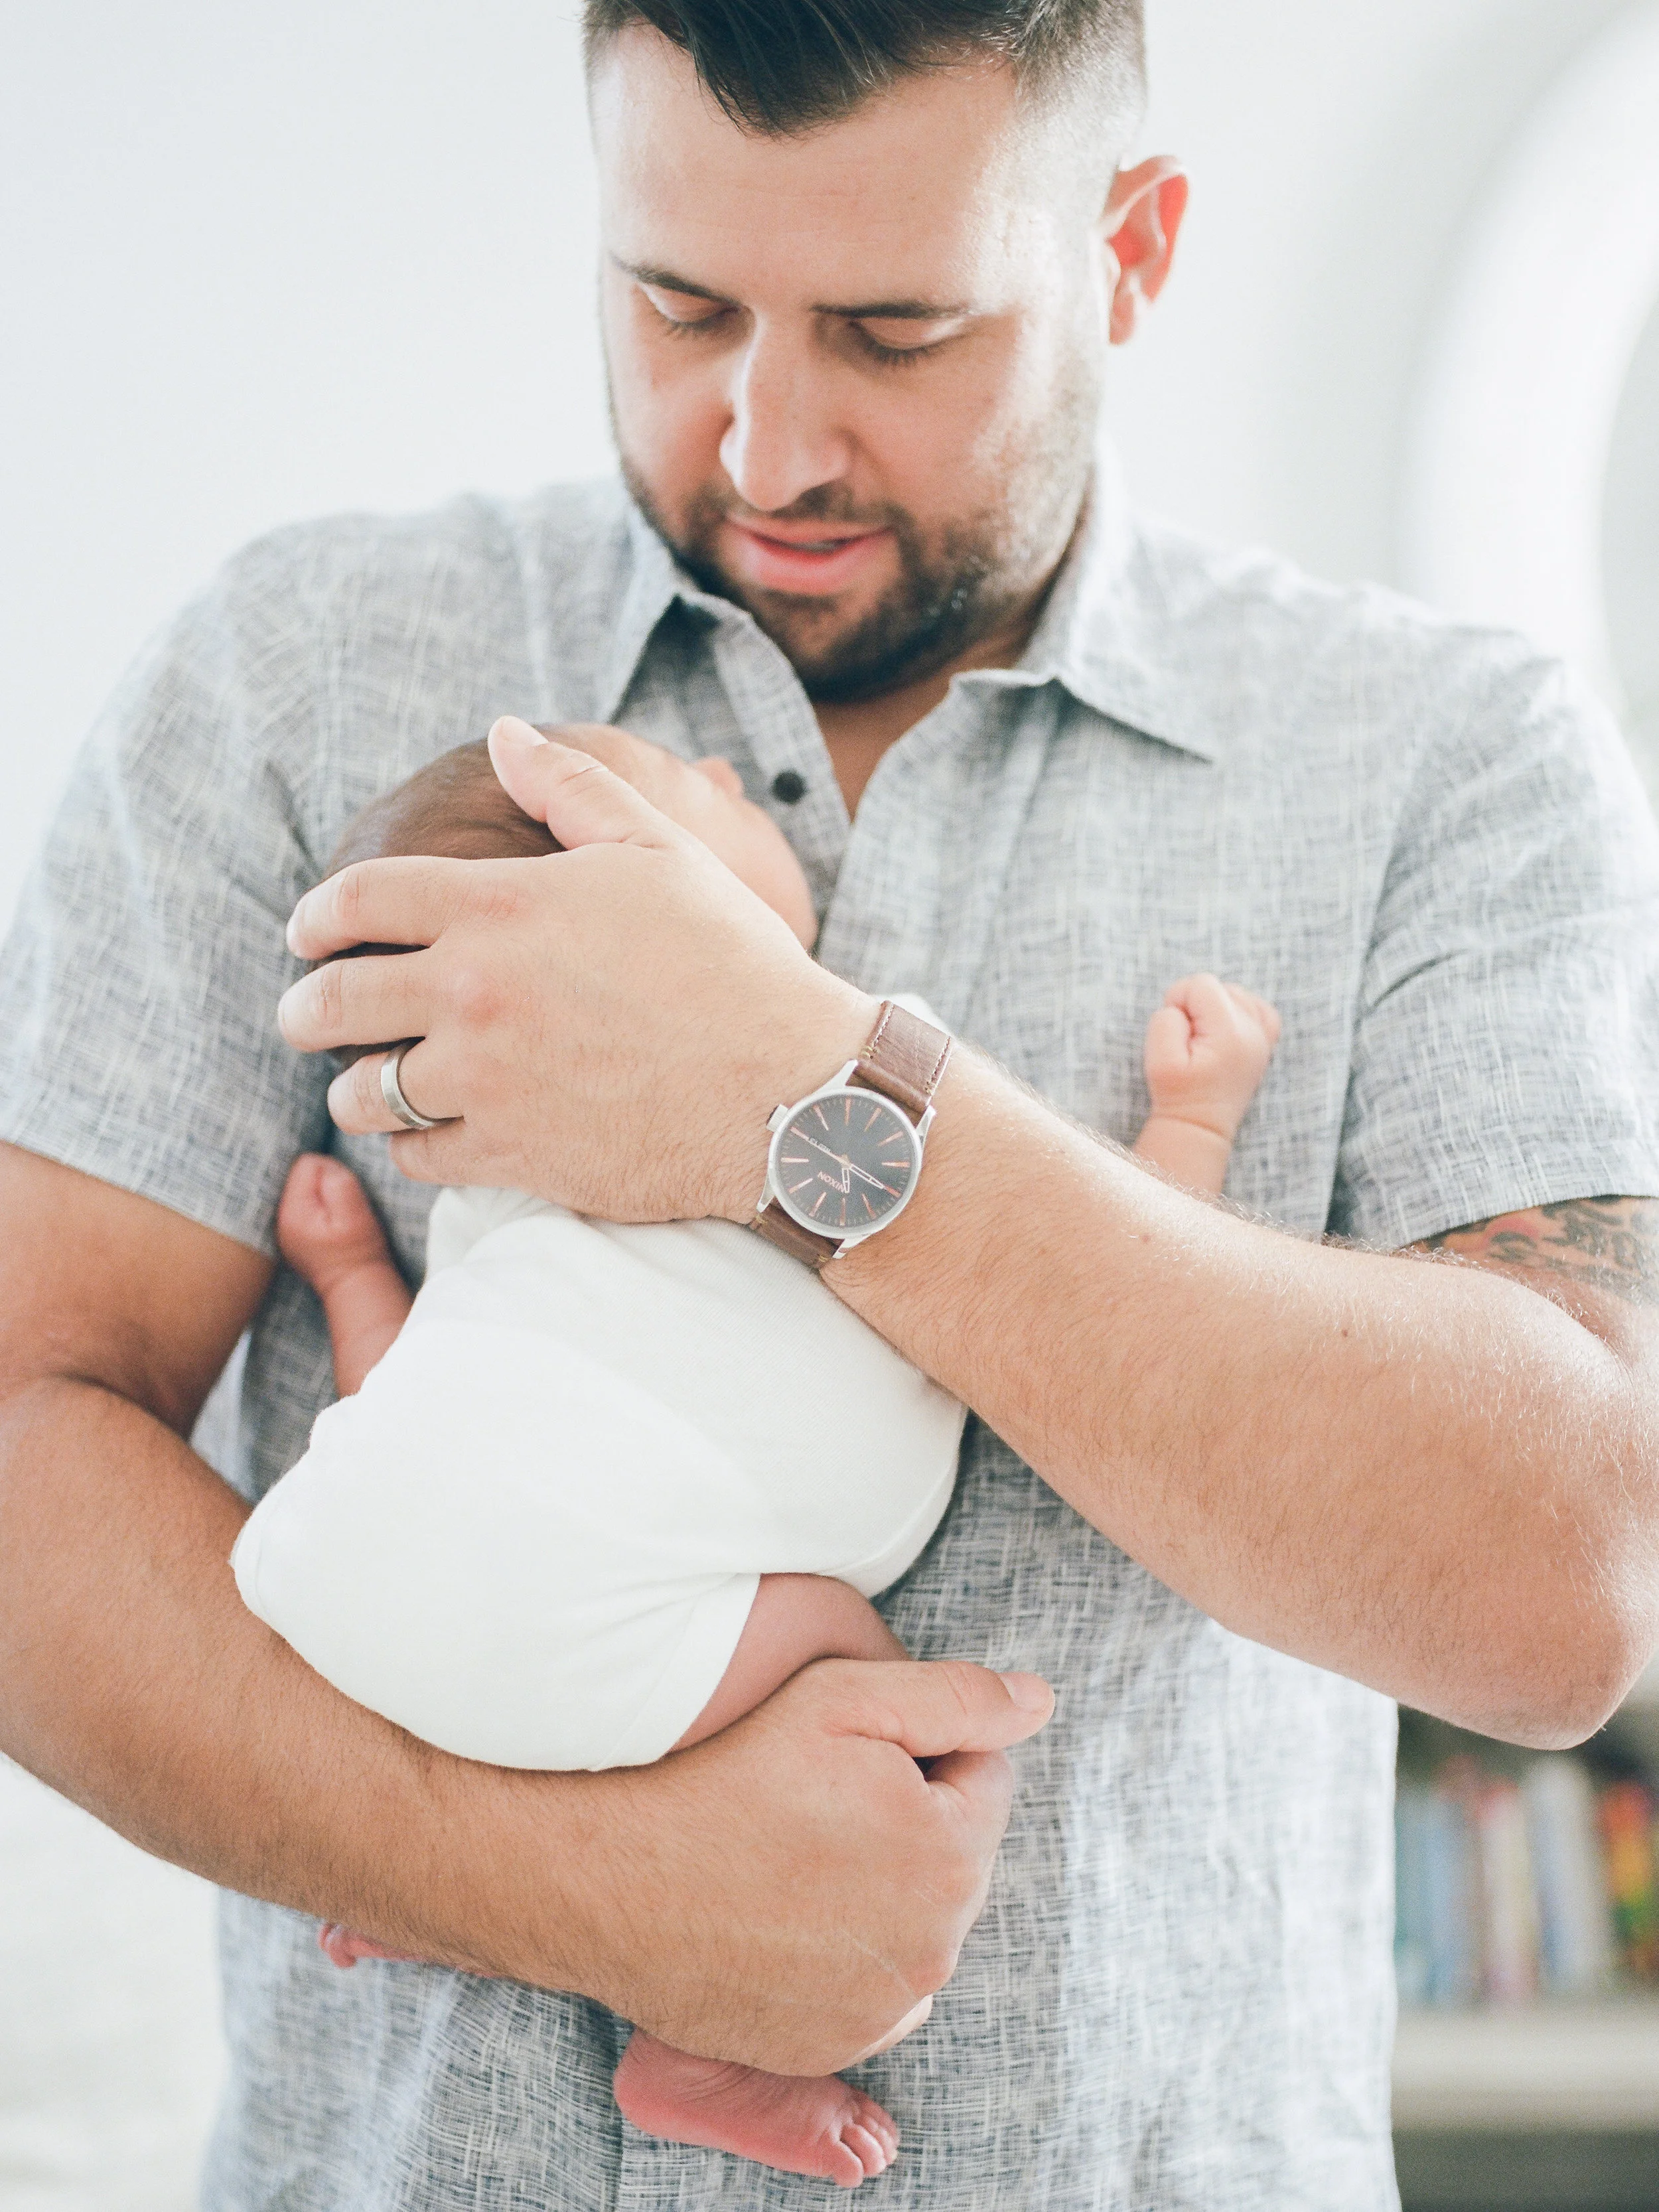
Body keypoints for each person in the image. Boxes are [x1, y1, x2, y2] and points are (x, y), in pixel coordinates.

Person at [3, 1, 1659, 2205]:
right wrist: (579, 1878)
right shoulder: (297, 672)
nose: (766, 445)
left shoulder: (1446, 759)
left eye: (900, 329)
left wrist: (799, 1091)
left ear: (1131, 253)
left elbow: (1573, 1583)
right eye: (679, 303)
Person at [233, 723, 1278, 2187]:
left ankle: (441, 1887)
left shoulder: (519, 1162)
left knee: (442, 1437)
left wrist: (353, 1278)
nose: (729, 773)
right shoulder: (879, 1101)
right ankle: (700, 2042)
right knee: (850, 1682)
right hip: (544, 1606)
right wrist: (1190, 1121)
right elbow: (1108, 1282)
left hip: (336, 1568)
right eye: (690, 786)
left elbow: (436, 1398)